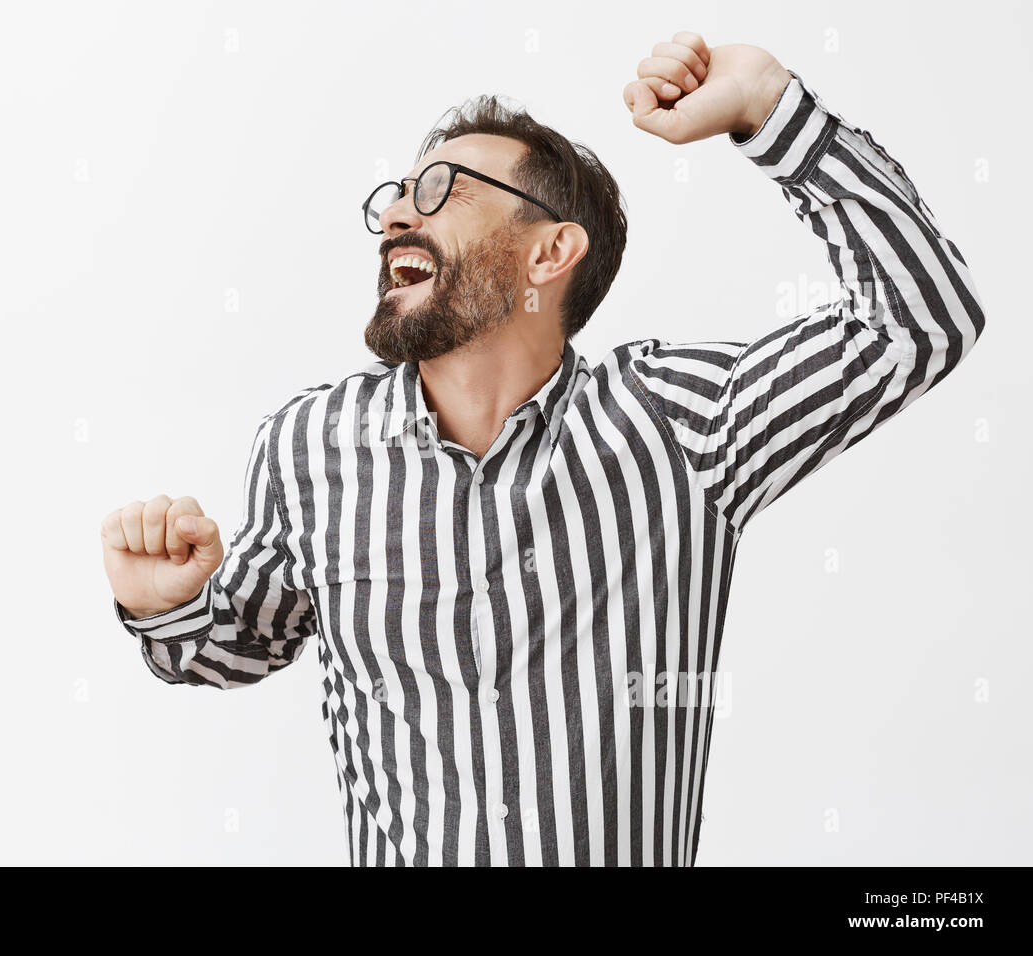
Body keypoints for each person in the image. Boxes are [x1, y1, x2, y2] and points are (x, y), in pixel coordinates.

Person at [100, 31, 985, 866]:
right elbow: (237, 646)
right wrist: (167, 609)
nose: (398, 217)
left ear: (550, 252)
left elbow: (922, 318)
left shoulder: (679, 423)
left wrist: (769, 108)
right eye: (397, 196)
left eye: (443, 190)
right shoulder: (308, 445)